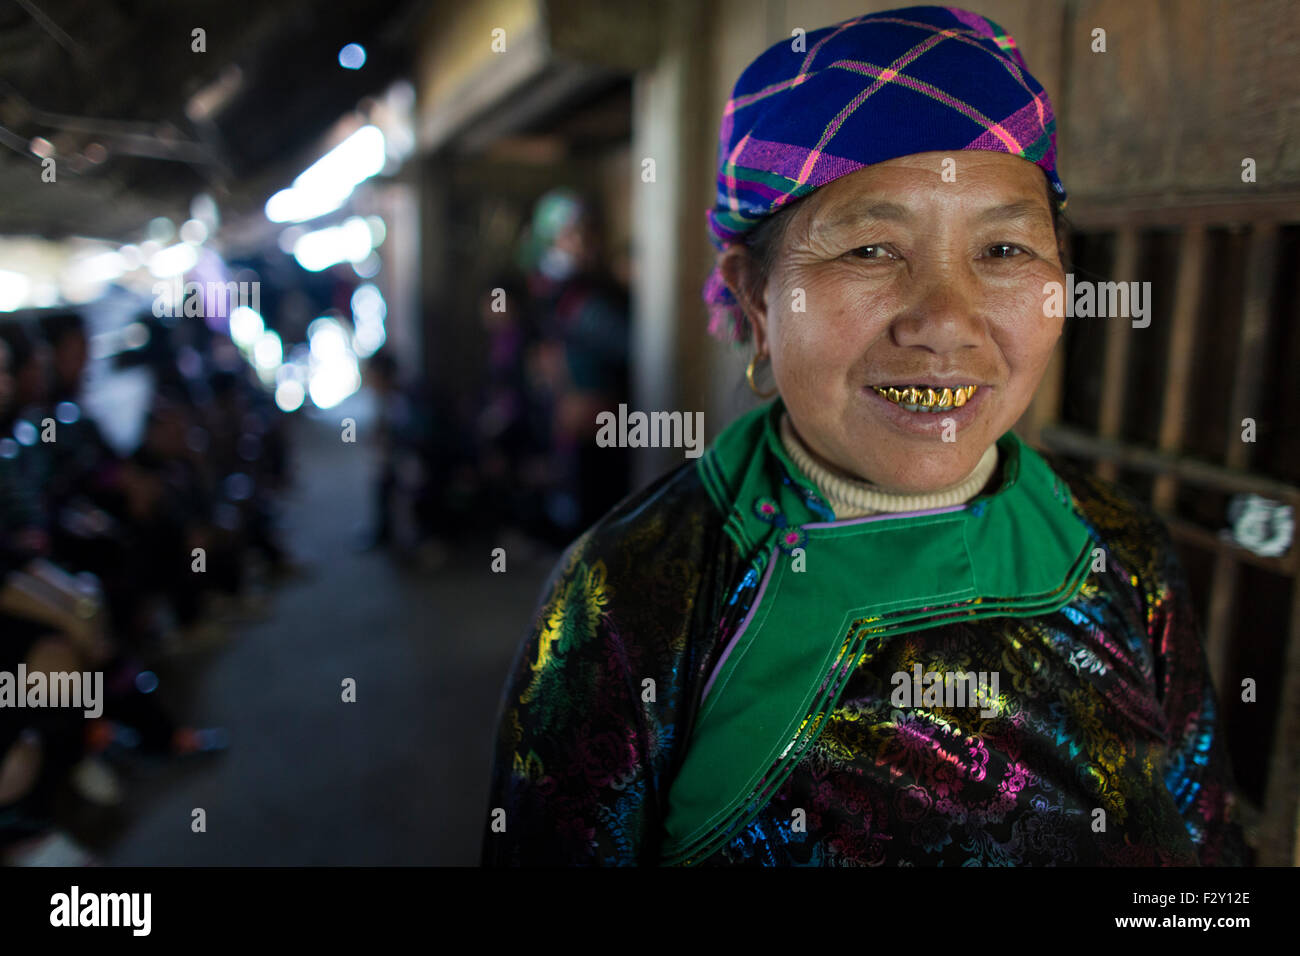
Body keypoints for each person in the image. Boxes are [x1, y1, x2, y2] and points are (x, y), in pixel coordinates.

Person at [482, 6, 1249, 866]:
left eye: (1003, 251)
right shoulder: (633, 598)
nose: (947, 324)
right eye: (871, 251)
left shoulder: (1120, 551)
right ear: (756, 300)